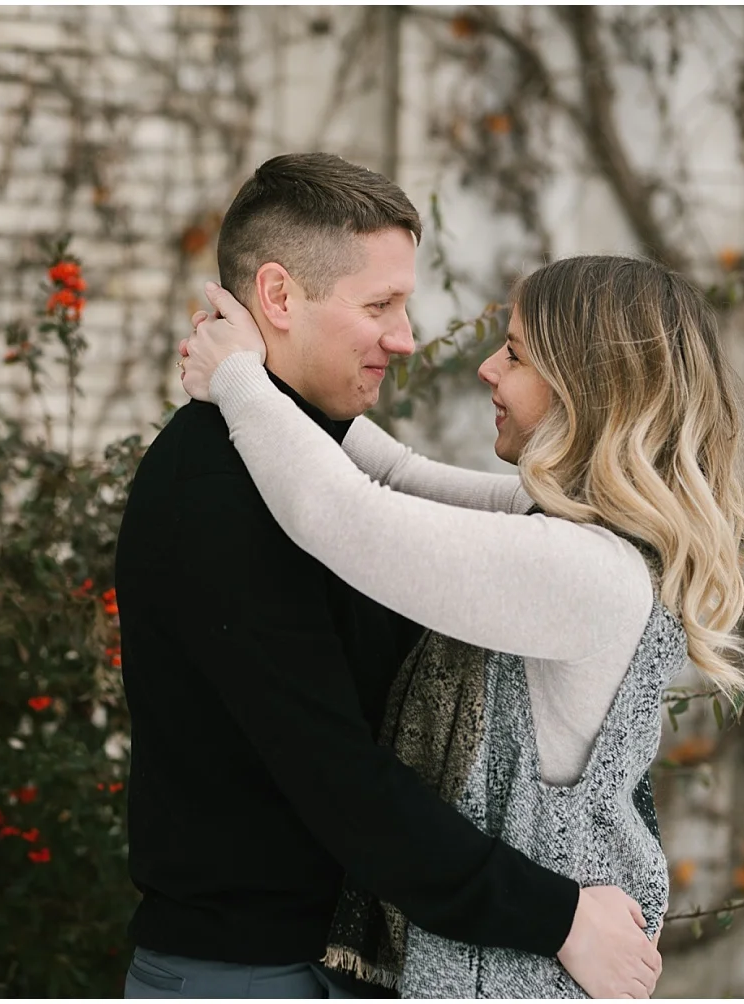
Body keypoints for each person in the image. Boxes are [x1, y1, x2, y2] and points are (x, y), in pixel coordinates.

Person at [115, 152, 663, 1000]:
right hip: (254, 973)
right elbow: (341, 779)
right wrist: (558, 918)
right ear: (278, 296)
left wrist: (244, 382)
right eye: (380, 306)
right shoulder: (217, 489)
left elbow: (373, 501)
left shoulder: (300, 467)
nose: (406, 338)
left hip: (329, 963)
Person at [177, 252, 744, 997]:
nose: (487, 369)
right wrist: (276, 376)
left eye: (514, 354)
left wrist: (239, 380)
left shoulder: (584, 572)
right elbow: (395, 475)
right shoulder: (582, 536)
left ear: (585, 388)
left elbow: (345, 516)